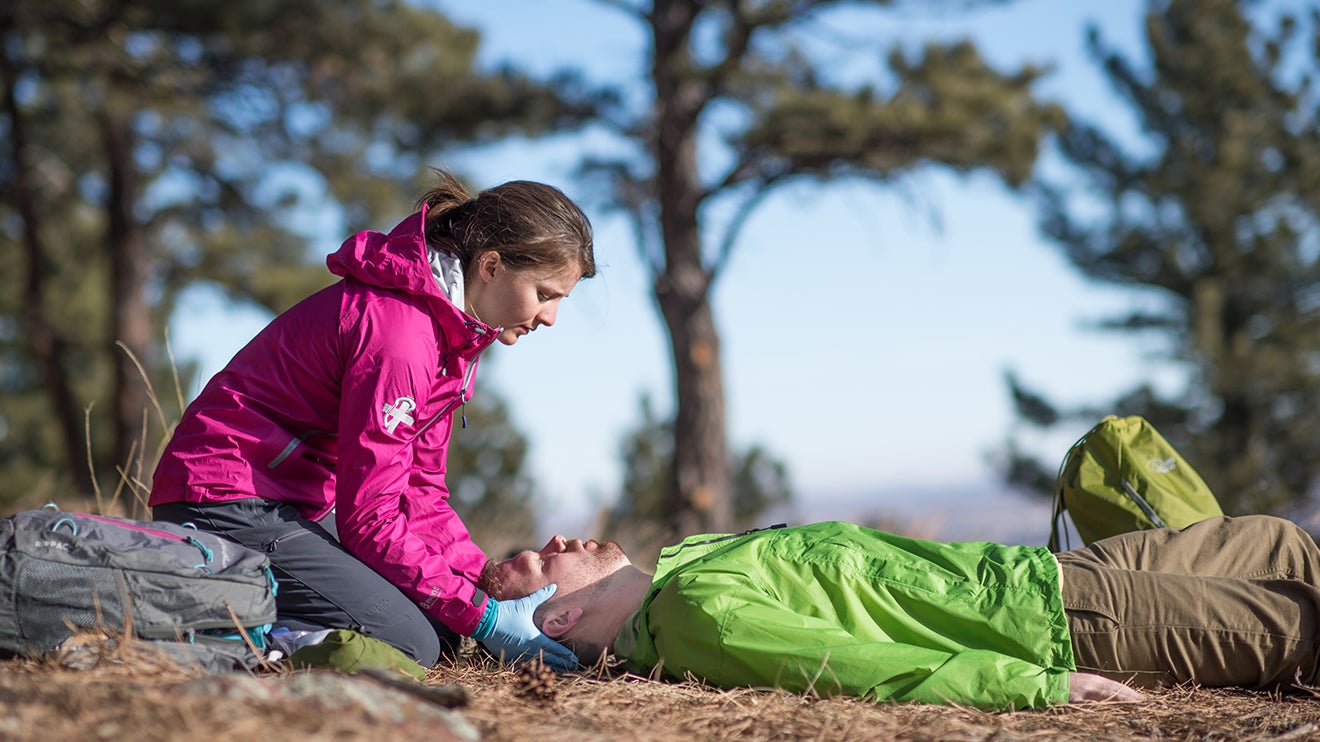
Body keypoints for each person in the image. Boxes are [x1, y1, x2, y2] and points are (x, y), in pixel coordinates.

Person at [150, 169, 595, 671]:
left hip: (283, 504)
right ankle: (186, 633)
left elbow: (421, 490)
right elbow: (369, 519)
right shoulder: (403, 336)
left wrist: (480, 581)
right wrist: (484, 618)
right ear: (491, 265)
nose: (551, 318)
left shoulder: (453, 337)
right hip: (223, 499)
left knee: (443, 632)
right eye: (545, 293)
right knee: (409, 643)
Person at [484, 516, 1320, 710]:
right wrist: (1044, 687)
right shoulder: (695, 616)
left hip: (1045, 572)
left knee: (1283, 546)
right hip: (1053, 623)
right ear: (556, 621)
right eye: (533, 560)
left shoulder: (691, 564)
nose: (555, 535)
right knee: (1299, 625)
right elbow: (860, 667)